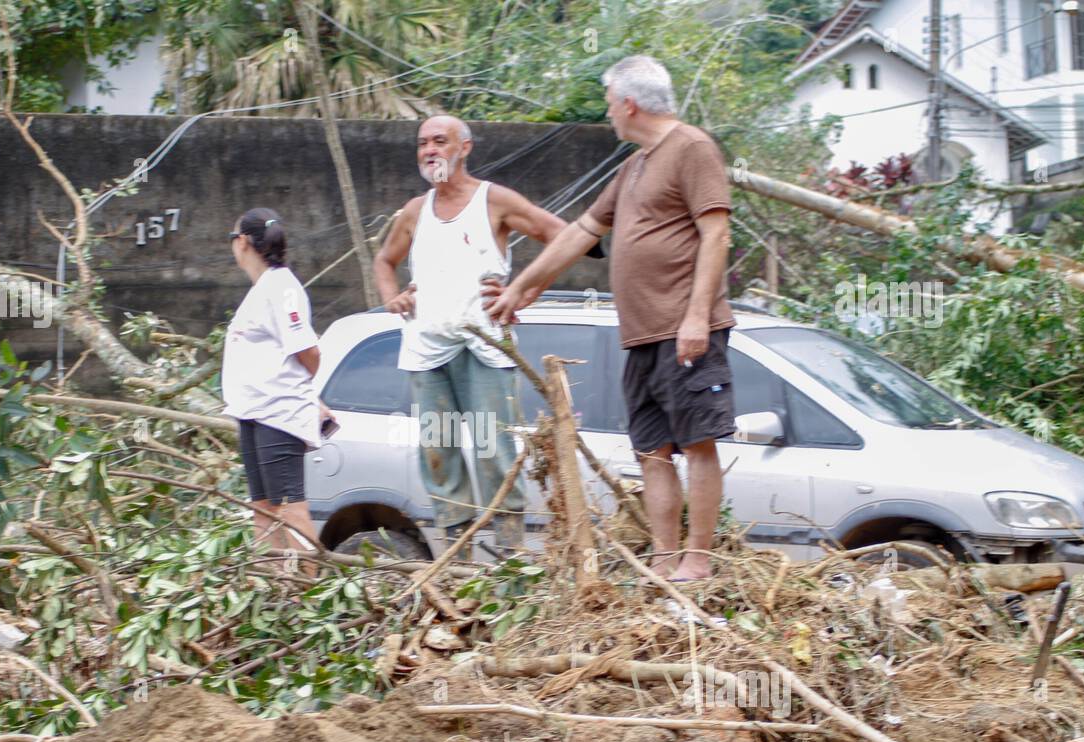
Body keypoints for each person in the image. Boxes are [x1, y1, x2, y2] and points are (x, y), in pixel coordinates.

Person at [485, 56, 735, 581]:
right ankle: (665, 560)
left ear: (629, 103)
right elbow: (581, 231)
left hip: (684, 329)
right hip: (640, 335)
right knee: (653, 450)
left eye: (608, 102)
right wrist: (524, 285)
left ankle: (699, 559)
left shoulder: (692, 148)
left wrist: (695, 319)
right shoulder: (634, 166)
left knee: (696, 443)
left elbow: (716, 234)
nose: (607, 113)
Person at [373, 114, 583, 556]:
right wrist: (392, 296)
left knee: (493, 454)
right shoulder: (415, 212)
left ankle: (509, 568)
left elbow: (561, 236)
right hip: (428, 354)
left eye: (440, 141)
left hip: (485, 350)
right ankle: (458, 568)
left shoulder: (494, 200)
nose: (430, 150)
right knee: (440, 456)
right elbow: (383, 261)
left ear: (464, 147)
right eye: (423, 143)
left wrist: (523, 290)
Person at [220, 207, 332, 554]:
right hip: (253, 412)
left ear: (242, 243)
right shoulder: (262, 289)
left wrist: (299, 391)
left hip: (277, 413)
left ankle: (306, 592)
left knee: (290, 507)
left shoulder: (282, 287)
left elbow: (308, 352)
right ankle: (272, 593)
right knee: (263, 507)